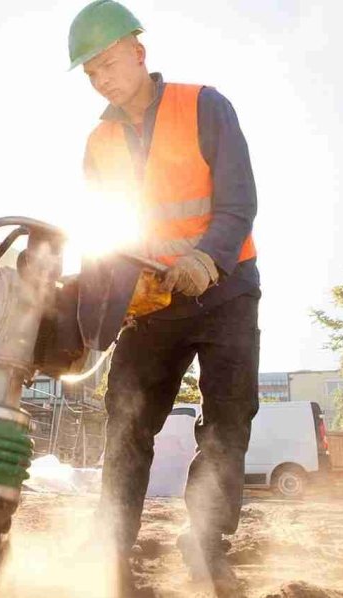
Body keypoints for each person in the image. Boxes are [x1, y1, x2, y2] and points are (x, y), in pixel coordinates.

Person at [69, 2, 261, 595]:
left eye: (107, 63)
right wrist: (101, 308)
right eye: (91, 72)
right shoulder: (98, 141)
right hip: (150, 305)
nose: (102, 78)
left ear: (138, 51)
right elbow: (101, 231)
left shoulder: (204, 104)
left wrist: (207, 259)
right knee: (126, 422)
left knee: (228, 417)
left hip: (226, 289)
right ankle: (110, 547)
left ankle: (206, 543)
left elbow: (238, 200)